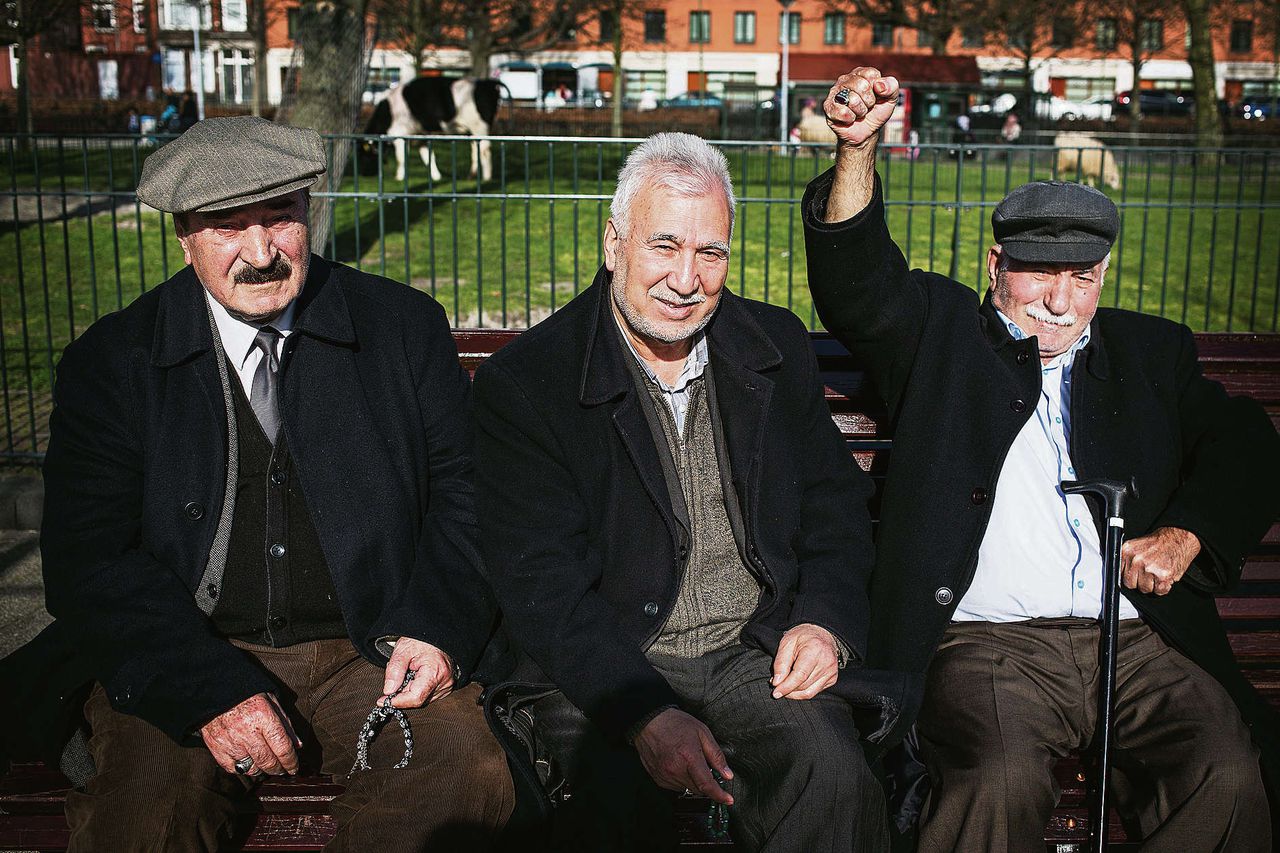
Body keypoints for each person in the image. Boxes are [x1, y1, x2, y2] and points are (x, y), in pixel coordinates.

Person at [1, 116, 513, 851]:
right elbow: (90, 558)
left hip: (368, 650)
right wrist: (207, 688)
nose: (261, 252)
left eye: (280, 218)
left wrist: (435, 624)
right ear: (182, 236)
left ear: (310, 212)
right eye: (227, 227)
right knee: (147, 822)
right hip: (190, 646)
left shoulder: (401, 327)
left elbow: (469, 494)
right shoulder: (115, 361)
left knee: (460, 778)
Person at [803, 66, 1280, 851]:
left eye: (1082, 278)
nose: (1060, 301)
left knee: (1226, 770)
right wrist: (859, 149)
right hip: (989, 646)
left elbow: (1250, 444)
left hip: (1134, 639)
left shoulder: (1149, 353)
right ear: (995, 266)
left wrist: (1189, 532)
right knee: (998, 776)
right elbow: (857, 285)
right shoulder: (942, 335)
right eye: (1039, 273)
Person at [473, 132, 904, 852]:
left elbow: (834, 508)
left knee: (830, 773)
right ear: (614, 244)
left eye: (711, 253)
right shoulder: (530, 381)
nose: (686, 278)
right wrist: (645, 713)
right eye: (663, 246)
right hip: (604, 660)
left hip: (751, 651)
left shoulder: (770, 345)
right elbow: (540, 585)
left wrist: (824, 621)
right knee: (603, 804)